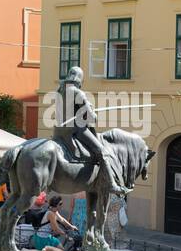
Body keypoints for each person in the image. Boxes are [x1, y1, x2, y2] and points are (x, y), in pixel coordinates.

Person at [52, 66, 126, 196]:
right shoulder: (78, 93)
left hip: (58, 131)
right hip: (75, 130)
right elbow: (91, 118)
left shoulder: (59, 91)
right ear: (80, 79)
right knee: (102, 151)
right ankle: (112, 184)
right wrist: (92, 112)